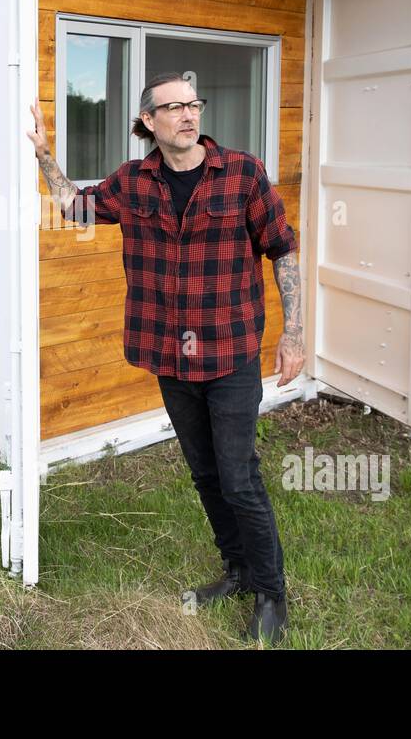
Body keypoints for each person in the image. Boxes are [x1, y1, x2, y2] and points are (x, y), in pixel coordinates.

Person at [28, 72, 305, 645]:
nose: (188, 114)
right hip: (169, 355)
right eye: (173, 107)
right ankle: (238, 570)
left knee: (238, 477)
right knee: (204, 473)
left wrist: (294, 333)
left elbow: (283, 250)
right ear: (148, 122)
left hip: (230, 353)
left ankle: (271, 593)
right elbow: (75, 209)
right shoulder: (134, 181)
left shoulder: (243, 174)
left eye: (193, 104)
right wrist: (45, 154)